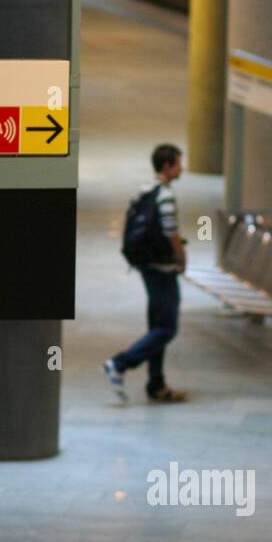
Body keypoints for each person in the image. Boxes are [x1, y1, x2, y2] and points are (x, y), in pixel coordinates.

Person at [103, 144, 187, 403]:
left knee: (157, 324)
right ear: (166, 166)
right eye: (178, 163)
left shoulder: (145, 191)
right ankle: (119, 364)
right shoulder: (165, 196)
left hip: (145, 265)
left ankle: (156, 384)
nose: (180, 168)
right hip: (162, 268)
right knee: (168, 328)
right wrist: (182, 258)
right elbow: (171, 233)